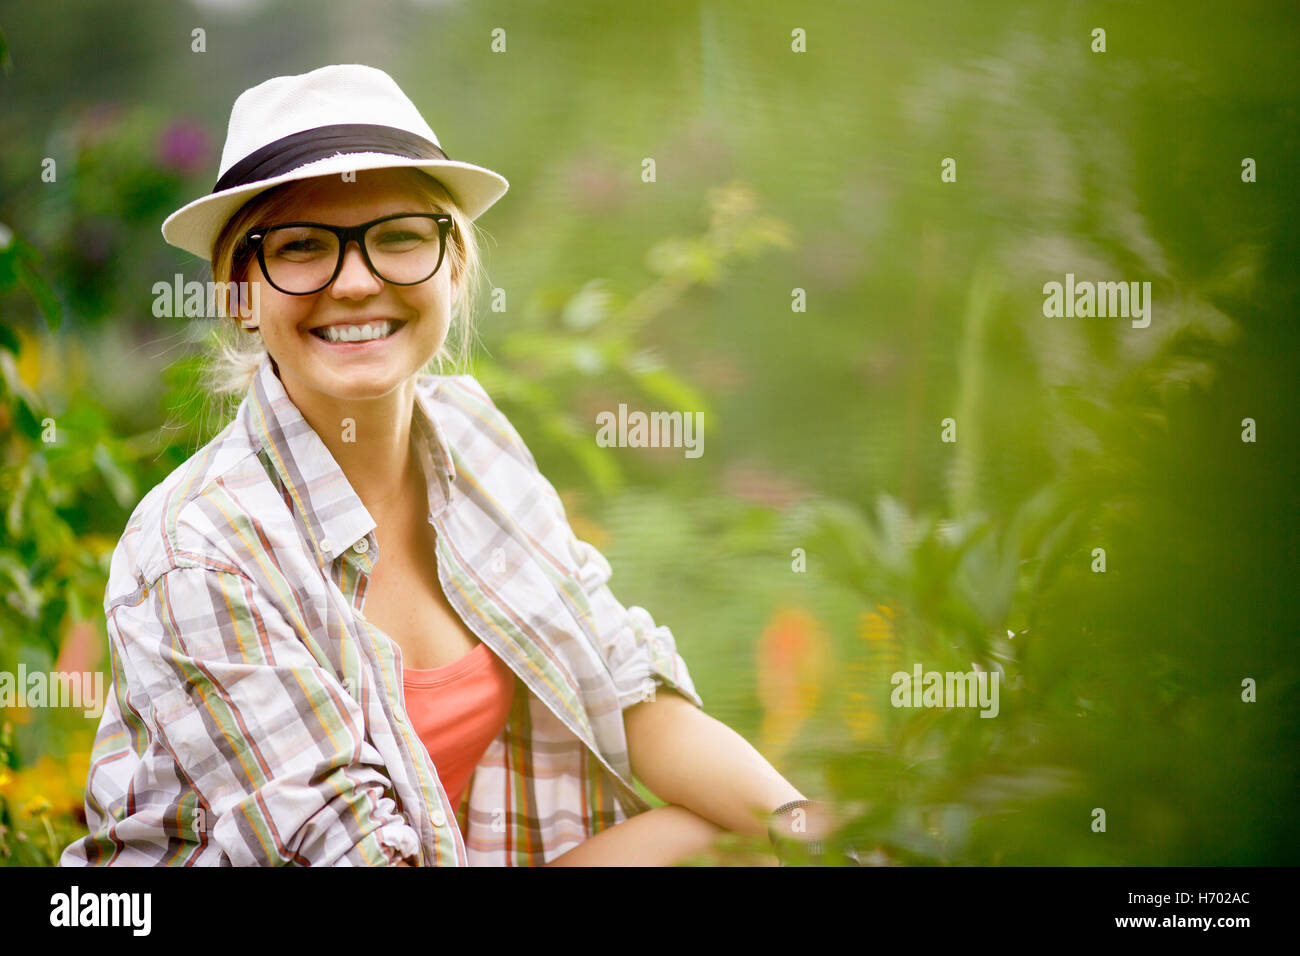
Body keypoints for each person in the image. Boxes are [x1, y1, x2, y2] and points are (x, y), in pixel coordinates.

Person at [60, 64, 834, 866]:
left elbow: (623, 688)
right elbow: (348, 854)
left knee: (748, 838)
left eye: (397, 236)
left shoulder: (472, 437)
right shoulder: (204, 549)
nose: (355, 282)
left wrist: (810, 836)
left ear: (453, 267)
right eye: (299, 247)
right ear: (239, 295)